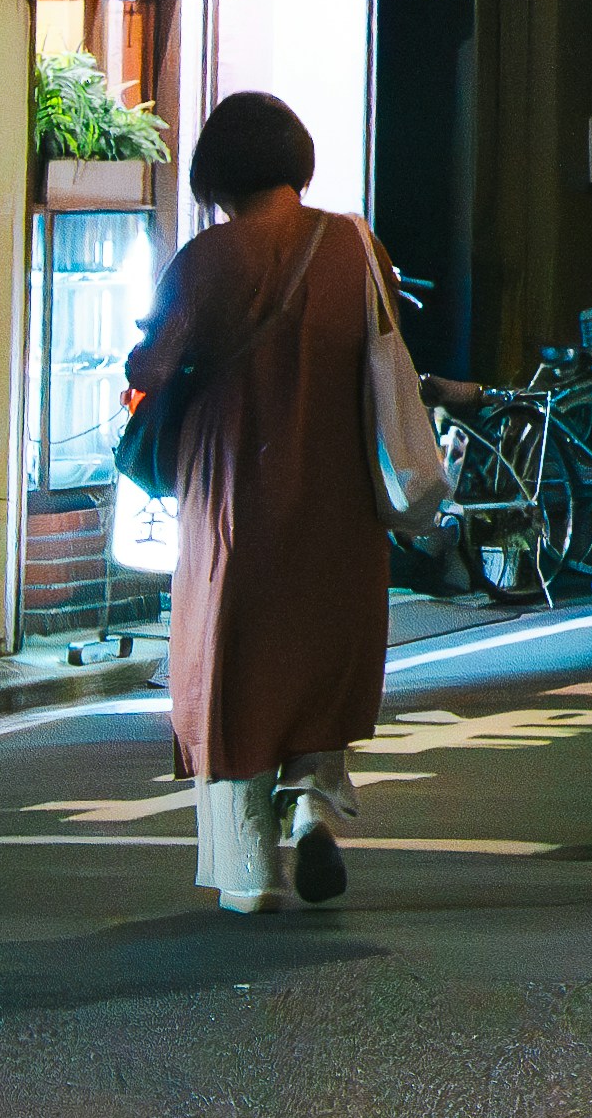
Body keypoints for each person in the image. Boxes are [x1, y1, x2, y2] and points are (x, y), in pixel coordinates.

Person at [130, 91, 433, 915]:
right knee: (317, 662)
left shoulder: (207, 259)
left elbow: (153, 366)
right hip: (337, 498)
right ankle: (311, 811)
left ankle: (249, 875)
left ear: (216, 174)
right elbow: (387, 344)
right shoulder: (355, 244)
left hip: (236, 494)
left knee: (230, 668)